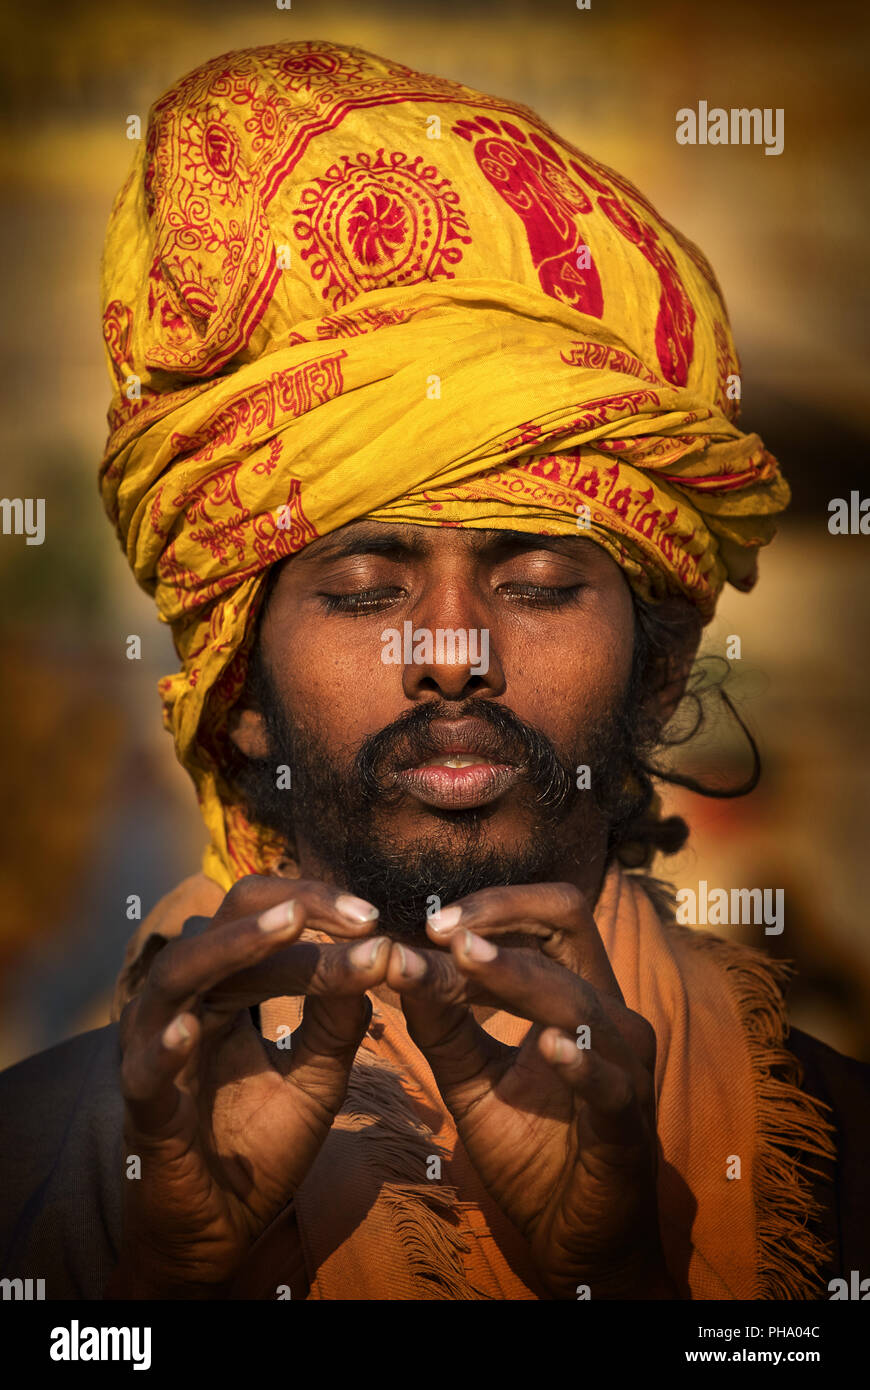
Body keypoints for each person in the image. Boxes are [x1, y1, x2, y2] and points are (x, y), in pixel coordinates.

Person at [1, 38, 867, 1302]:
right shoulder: (37, 1184)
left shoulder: (840, 1177)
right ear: (235, 688)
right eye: (364, 589)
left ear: (662, 662)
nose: (452, 652)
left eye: (539, 582)